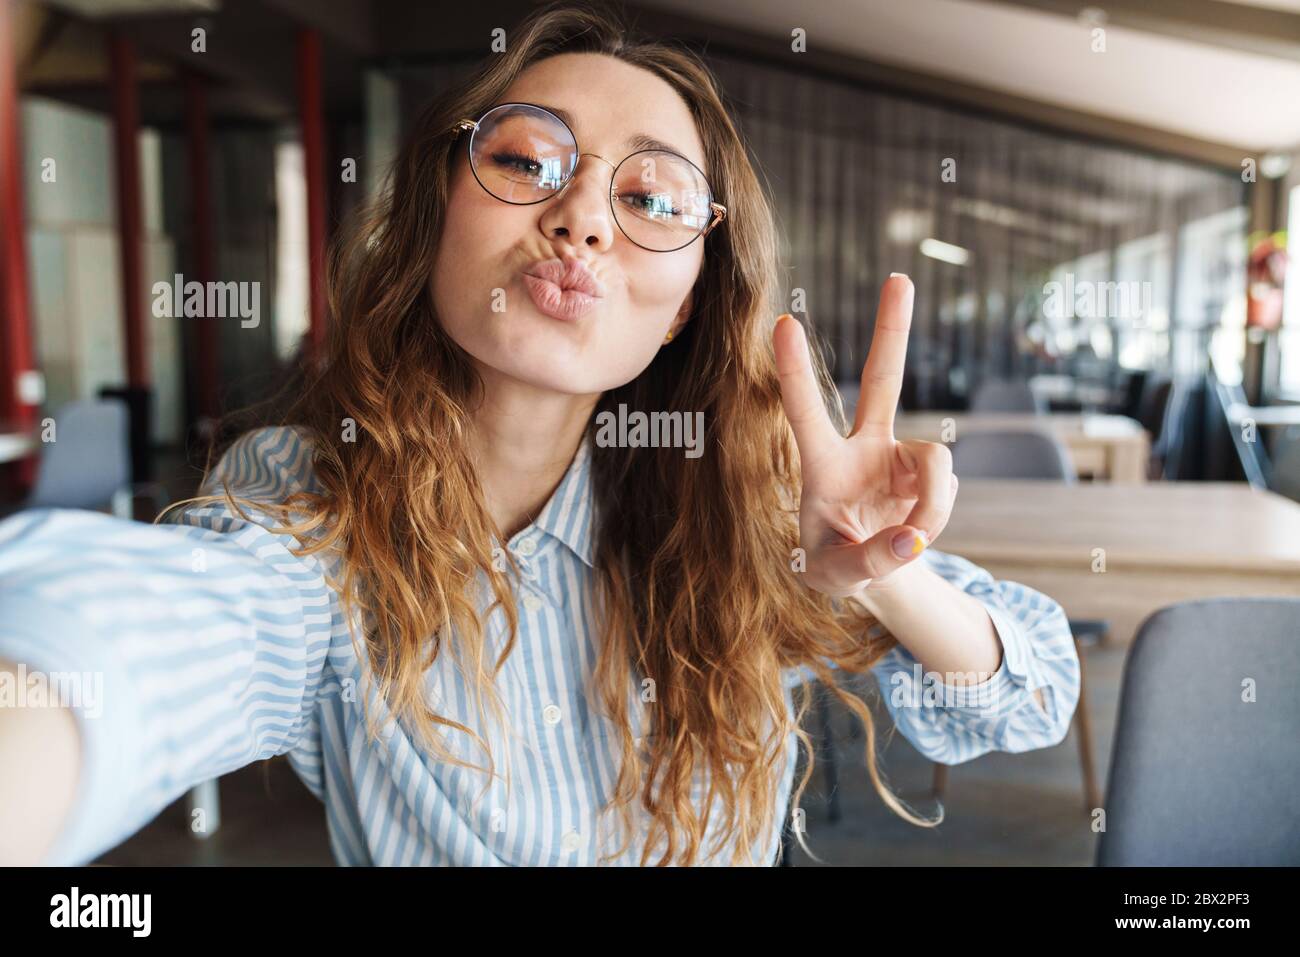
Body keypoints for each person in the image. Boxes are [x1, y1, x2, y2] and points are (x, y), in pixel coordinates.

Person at [0, 2, 1079, 867]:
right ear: (436, 219)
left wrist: (878, 577)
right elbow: (142, 640)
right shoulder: (312, 496)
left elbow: (1030, 698)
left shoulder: (742, 500)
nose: (583, 220)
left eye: (651, 197)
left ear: (690, 302)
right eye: (524, 163)